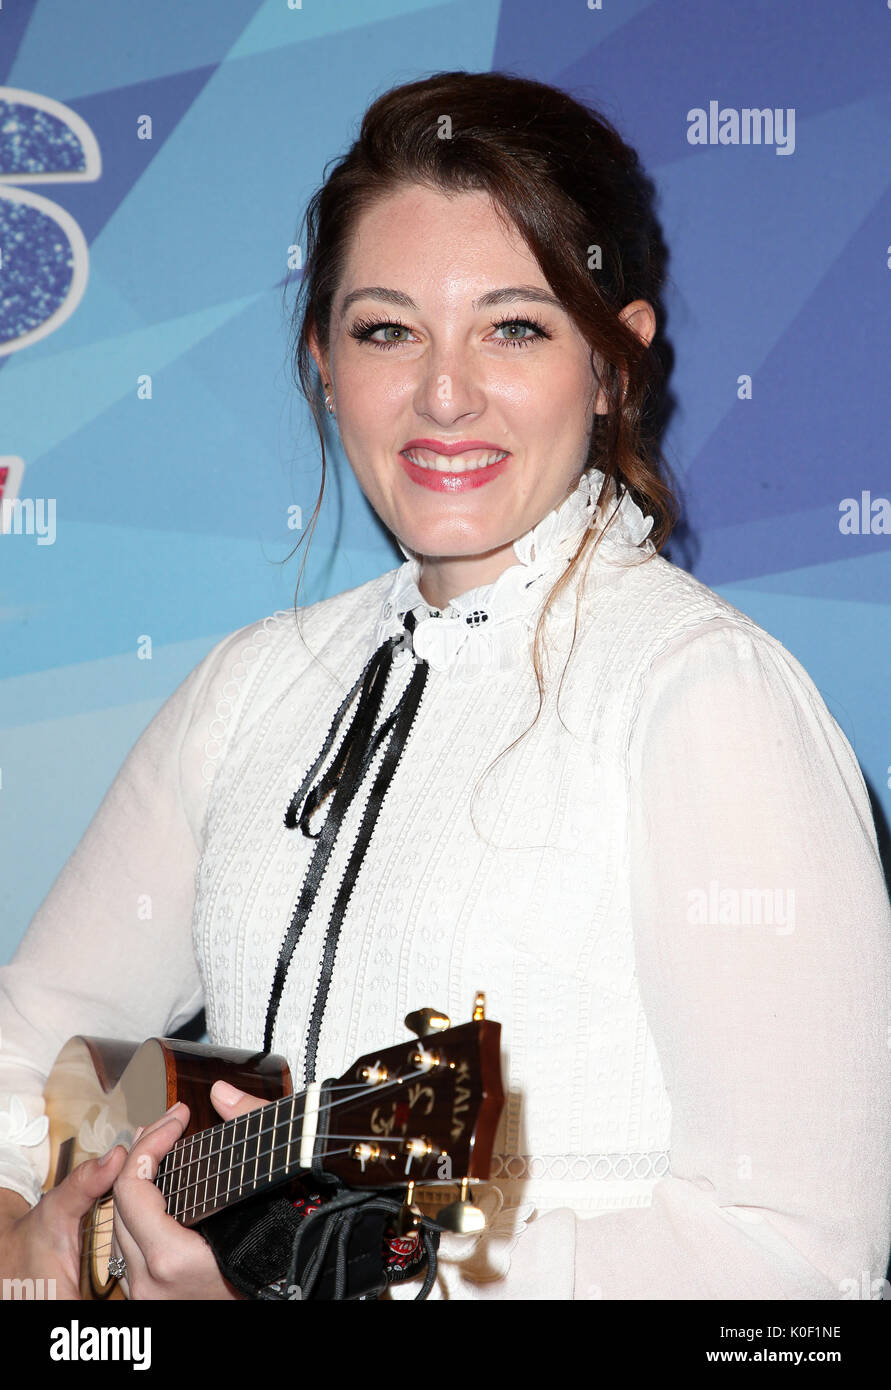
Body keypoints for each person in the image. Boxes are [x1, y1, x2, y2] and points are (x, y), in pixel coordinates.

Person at [1, 69, 890, 1302]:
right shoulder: (251, 688)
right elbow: (24, 1040)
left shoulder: (704, 695)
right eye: (386, 329)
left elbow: (795, 1264)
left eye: (514, 326)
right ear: (323, 363)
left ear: (616, 362)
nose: (443, 392)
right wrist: (24, 1236)